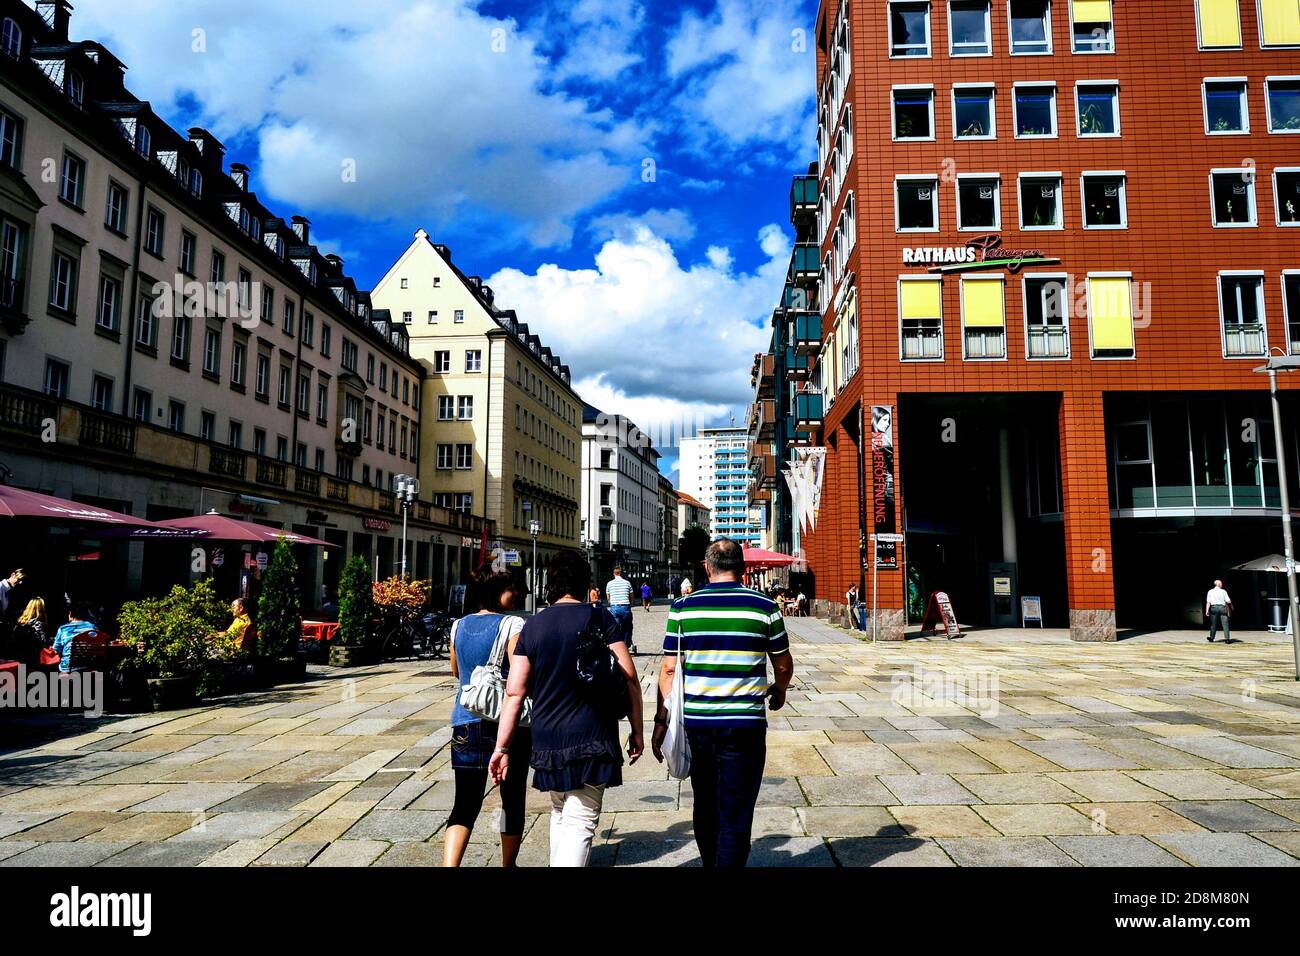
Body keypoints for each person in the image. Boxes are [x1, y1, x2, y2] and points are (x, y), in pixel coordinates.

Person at [491, 550, 643, 867]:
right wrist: (637, 730)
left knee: (561, 811)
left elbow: (514, 692)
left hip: (548, 738)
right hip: (593, 736)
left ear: (552, 583)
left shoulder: (533, 626)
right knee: (580, 821)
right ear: (585, 583)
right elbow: (629, 676)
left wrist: (502, 747)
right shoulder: (599, 618)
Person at [652, 538, 794, 868]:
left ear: (707, 567)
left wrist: (661, 721)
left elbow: (669, 669)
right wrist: (780, 690)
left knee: (705, 802)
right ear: (742, 568)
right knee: (736, 810)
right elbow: (783, 664)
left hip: (698, 724)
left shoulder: (683, 607)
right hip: (745, 725)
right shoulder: (764, 606)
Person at [446, 570, 531, 867]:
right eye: (510, 589)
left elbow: (456, 672)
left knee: (464, 803)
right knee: (512, 798)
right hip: (505, 724)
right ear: (496, 593)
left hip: (464, 721)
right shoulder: (513, 624)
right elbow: (520, 673)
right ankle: (508, 865)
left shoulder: (458, 625)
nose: (516, 594)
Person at [51, 602, 98, 673]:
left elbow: (56, 650)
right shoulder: (92, 627)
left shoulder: (63, 629)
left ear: (70, 614)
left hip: (68, 667)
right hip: (87, 665)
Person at [605, 565, 635, 655]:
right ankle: (626, 645)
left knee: (615, 627)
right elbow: (631, 595)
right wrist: (632, 604)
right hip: (625, 606)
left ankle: (617, 646)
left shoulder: (609, 583)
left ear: (614, 574)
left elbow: (608, 597)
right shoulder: (627, 583)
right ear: (621, 573)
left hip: (614, 607)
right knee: (627, 627)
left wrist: (611, 603)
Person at [14, 597, 50, 664]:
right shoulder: (38, 624)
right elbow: (43, 643)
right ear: (41, 609)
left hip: (21, 658)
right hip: (34, 660)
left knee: (22, 670)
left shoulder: (20, 623)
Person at [1206, 579, 1234, 644]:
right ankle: (1227, 639)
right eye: (1221, 583)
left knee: (1213, 624)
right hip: (1222, 608)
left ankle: (1212, 638)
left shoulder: (1210, 591)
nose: (1222, 584)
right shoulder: (1223, 591)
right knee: (1225, 624)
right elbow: (1228, 601)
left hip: (1214, 608)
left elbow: (1208, 602)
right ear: (1218, 584)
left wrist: (1207, 610)